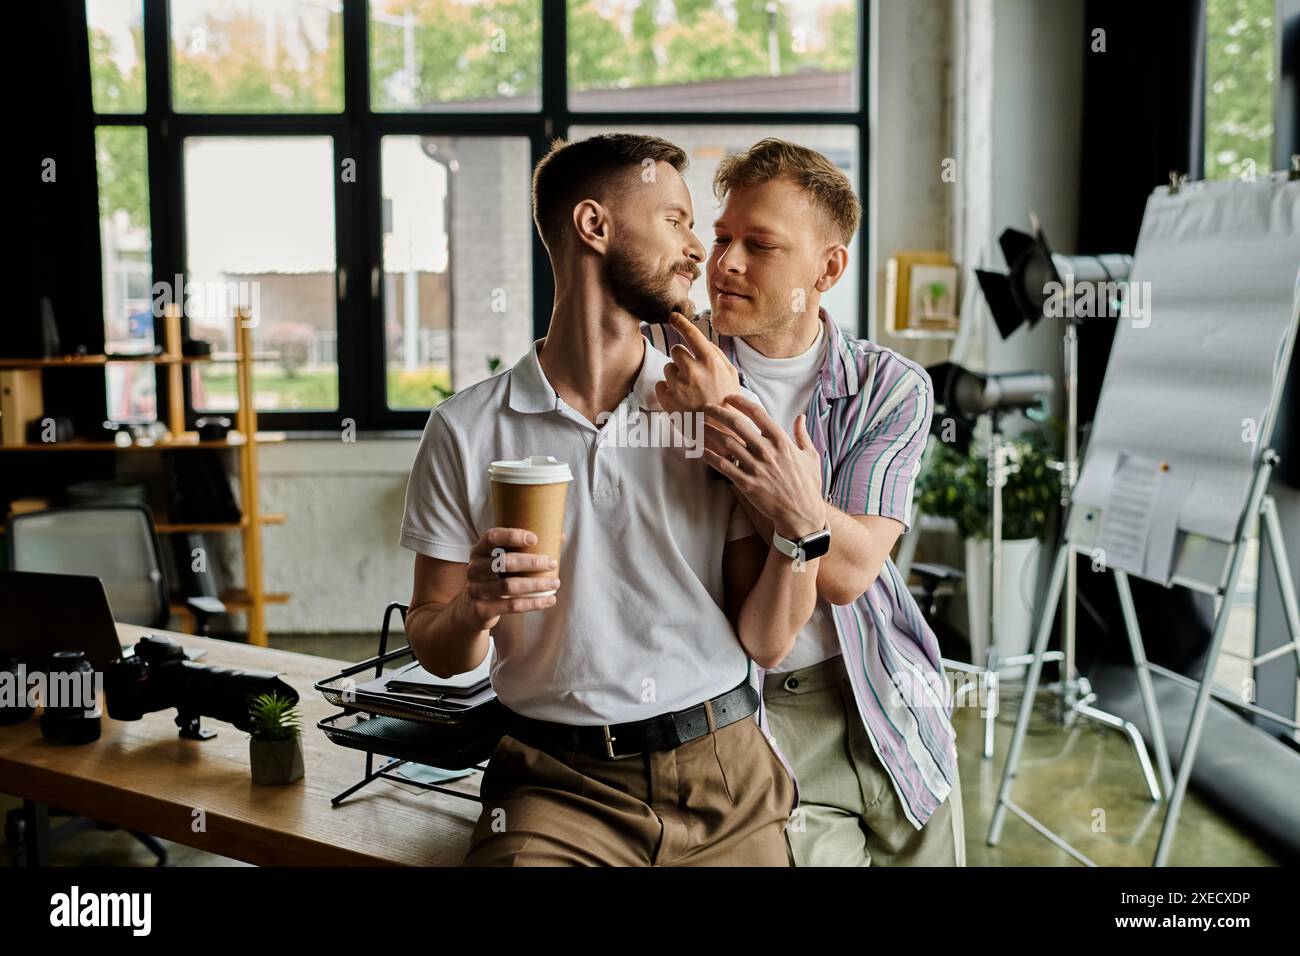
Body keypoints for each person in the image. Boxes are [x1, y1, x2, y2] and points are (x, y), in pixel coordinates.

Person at [398, 134, 823, 866]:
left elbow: (767, 639)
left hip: (726, 775)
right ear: (593, 226)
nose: (701, 252)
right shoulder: (465, 428)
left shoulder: (709, 406)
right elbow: (437, 646)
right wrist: (477, 605)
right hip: (553, 787)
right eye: (677, 221)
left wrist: (801, 524)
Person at [649, 138, 966, 866]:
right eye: (722, 237)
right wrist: (797, 503)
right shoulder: (664, 366)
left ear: (828, 267)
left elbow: (852, 572)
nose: (723, 262)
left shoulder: (892, 387)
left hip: (890, 697)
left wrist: (723, 419)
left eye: (759, 245)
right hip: (757, 715)